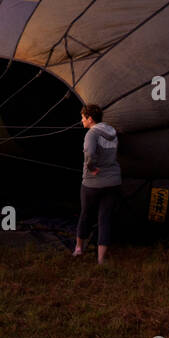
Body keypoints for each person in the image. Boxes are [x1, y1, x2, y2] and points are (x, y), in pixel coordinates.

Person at [74, 103, 120, 265]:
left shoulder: (91, 134)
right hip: (113, 181)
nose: (81, 121)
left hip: (93, 183)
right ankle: (101, 259)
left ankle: (79, 249)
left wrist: (92, 168)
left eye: (82, 118)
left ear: (90, 118)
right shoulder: (112, 133)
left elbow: (90, 154)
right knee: (105, 218)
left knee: (85, 214)